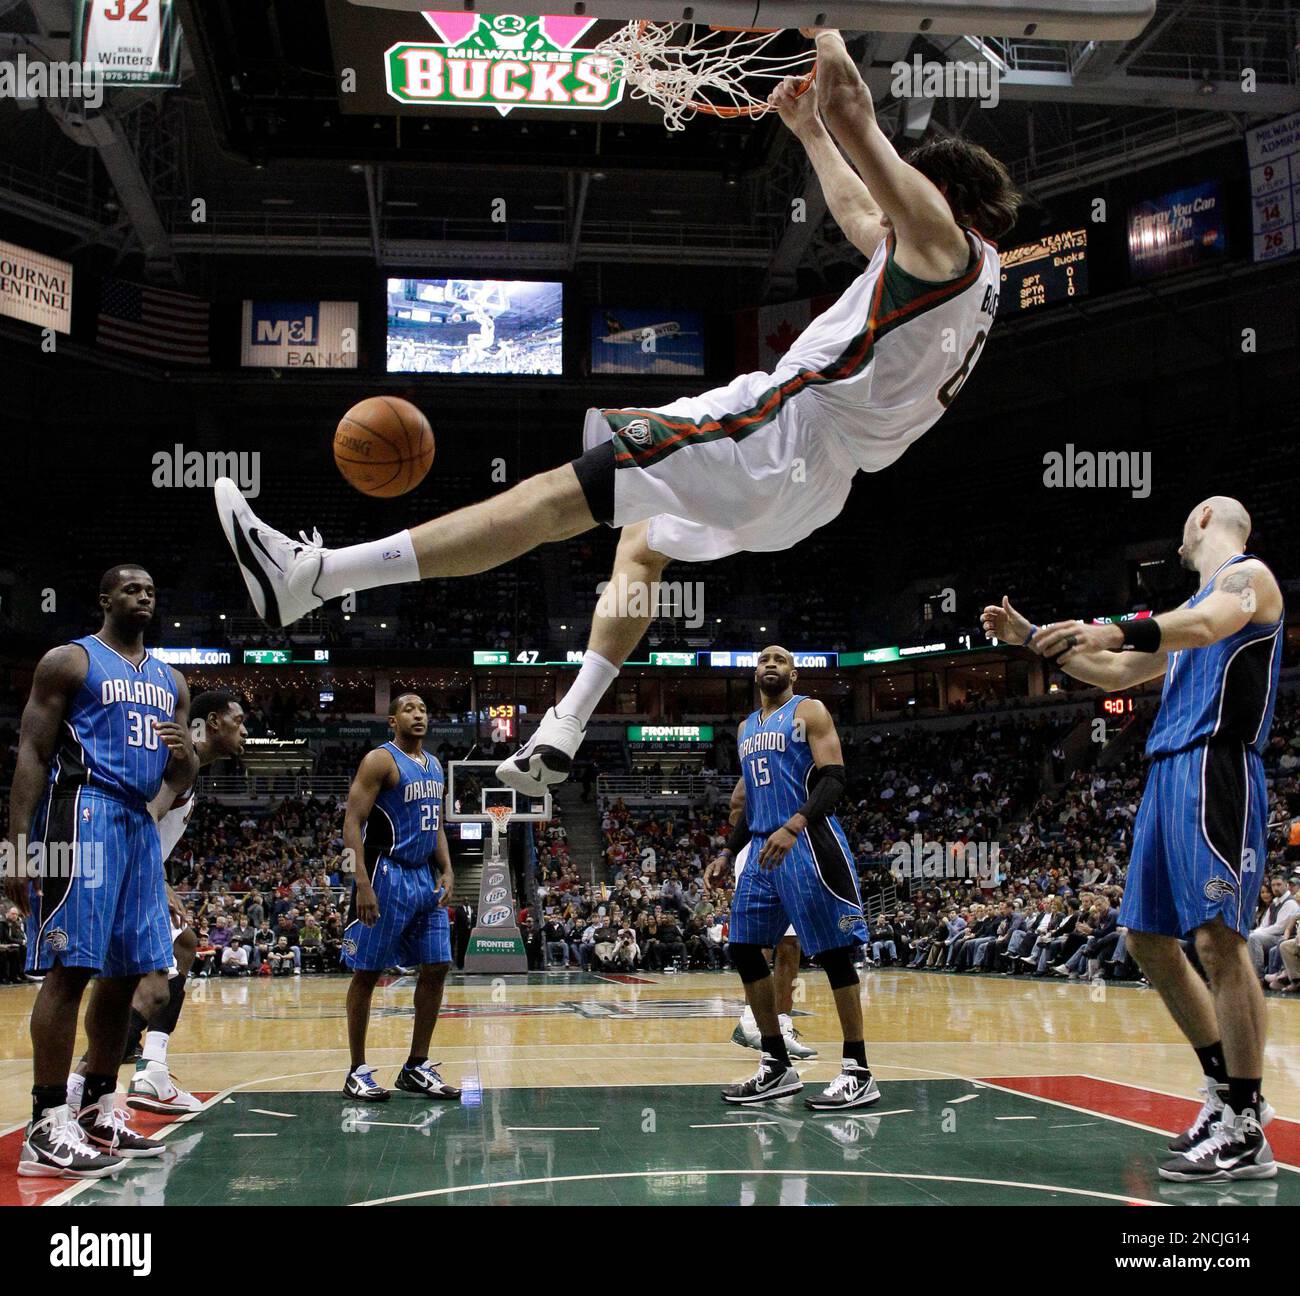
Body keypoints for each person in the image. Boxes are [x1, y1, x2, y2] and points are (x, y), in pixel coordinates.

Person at [213, 28, 1017, 802]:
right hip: (814, 488)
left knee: (560, 496)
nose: (888, 196)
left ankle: (316, 577)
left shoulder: (939, 239)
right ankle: (565, 724)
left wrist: (827, 28)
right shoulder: (968, 280)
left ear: (940, 195)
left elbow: (854, 112)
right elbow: (856, 212)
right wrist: (807, 134)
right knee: (641, 544)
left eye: (906, 185)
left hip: (776, 429)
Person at [983, 496, 1284, 1182]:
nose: (1178, 537)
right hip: (1167, 771)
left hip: (1217, 764)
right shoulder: (1179, 625)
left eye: (1184, 525)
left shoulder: (1248, 579)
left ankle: (1246, 1125)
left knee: (1217, 938)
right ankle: (1220, 1090)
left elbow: (1203, 625)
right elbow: (1117, 673)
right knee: (1146, 939)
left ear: (1205, 518)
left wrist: (1112, 628)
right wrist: (1037, 640)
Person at [3, 565, 198, 1177]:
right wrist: (16, 844)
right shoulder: (70, 661)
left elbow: (180, 780)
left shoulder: (172, 681)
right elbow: (33, 752)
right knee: (73, 968)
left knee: (126, 975)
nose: (144, 595)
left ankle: (98, 1107)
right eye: (132, 588)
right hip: (81, 811)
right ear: (106, 599)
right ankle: (45, 1124)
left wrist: (187, 758)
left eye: (151, 589)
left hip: (138, 824)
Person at [704, 647, 875, 1110]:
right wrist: (728, 851)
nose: (770, 664)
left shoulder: (809, 711)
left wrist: (794, 823)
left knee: (835, 955)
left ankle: (858, 1070)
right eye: (763, 660)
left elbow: (835, 777)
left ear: (793, 673)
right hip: (761, 846)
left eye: (780, 659)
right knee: (743, 948)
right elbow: (753, 803)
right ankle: (776, 1065)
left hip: (808, 842)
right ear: (756, 674)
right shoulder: (744, 729)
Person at [67, 690, 248, 1119]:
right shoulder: (173, 765)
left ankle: (153, 1069)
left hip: (134, 871)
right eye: (238, 721)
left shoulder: (190, 769)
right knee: (147, 989)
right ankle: (80, 1086)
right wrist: (155, 877)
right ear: (211, 722)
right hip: (117, 870)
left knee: (184, 946)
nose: (245, 731)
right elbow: (141, 819)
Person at [340, 693, 460, 1102]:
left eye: (424, 709)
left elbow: (436, 824)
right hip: (386, 873)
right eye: (410, 709)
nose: (419, 715)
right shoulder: (380, 760)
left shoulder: (434, 765)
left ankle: (415, 1066)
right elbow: (352, 823)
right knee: (368, 973)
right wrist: (361, 883)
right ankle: (356, 1069)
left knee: (438, 965)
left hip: (424, 877)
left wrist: (446, 867)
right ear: (393, 720)